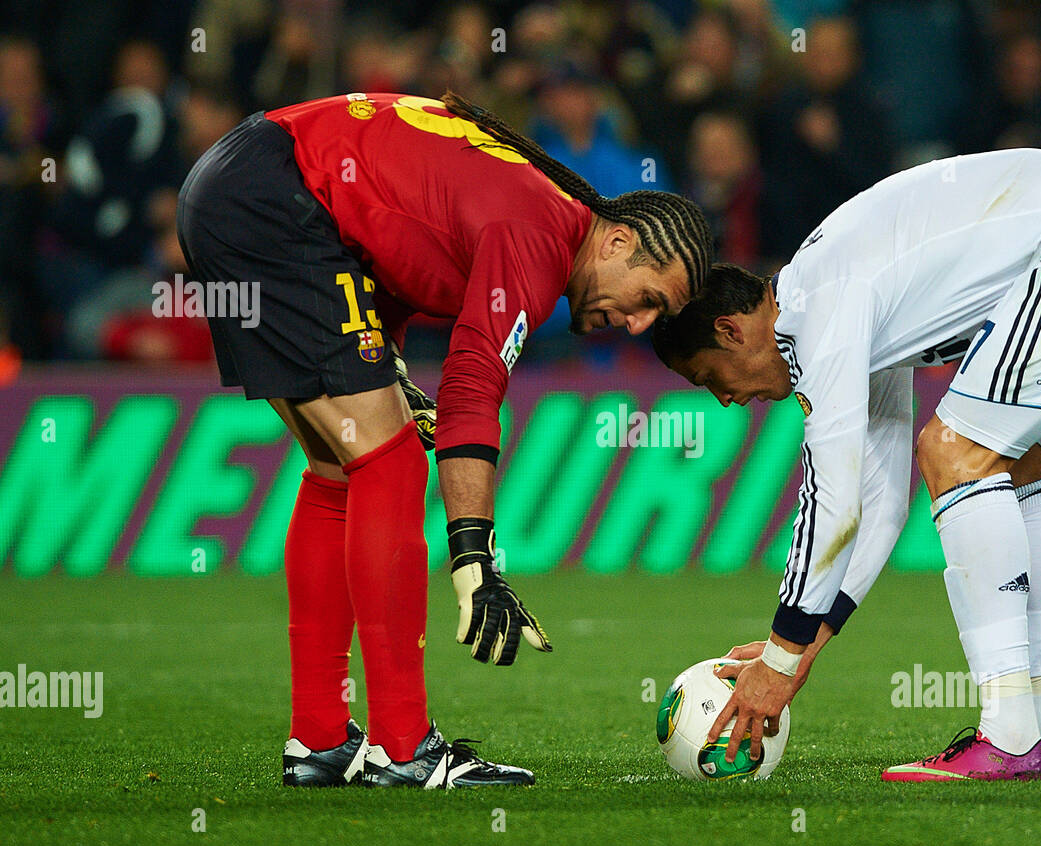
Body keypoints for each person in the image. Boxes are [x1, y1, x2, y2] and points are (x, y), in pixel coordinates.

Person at [177, 91, 711, 789]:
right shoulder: (539, 235)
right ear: (615, 241)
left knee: (341, 466)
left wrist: (388, 376)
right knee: (390, 462)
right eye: (648, 298)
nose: (639, 324)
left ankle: (320, 739)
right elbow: (471, 390)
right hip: (276, 200)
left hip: (241, 186)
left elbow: (386, 252)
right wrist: (473, 558)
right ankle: (404, 749)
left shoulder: (531, 210)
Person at [653, 147, 1041, 781]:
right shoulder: (847, 305)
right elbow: (881, 500)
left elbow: (831, 498)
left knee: (954, 452)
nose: (728, 399)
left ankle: (1009, 738)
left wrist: (780, 659)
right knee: (1012, 468)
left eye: (711, 379)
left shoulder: (817, 308)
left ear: (731, 330)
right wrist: (808, 643)